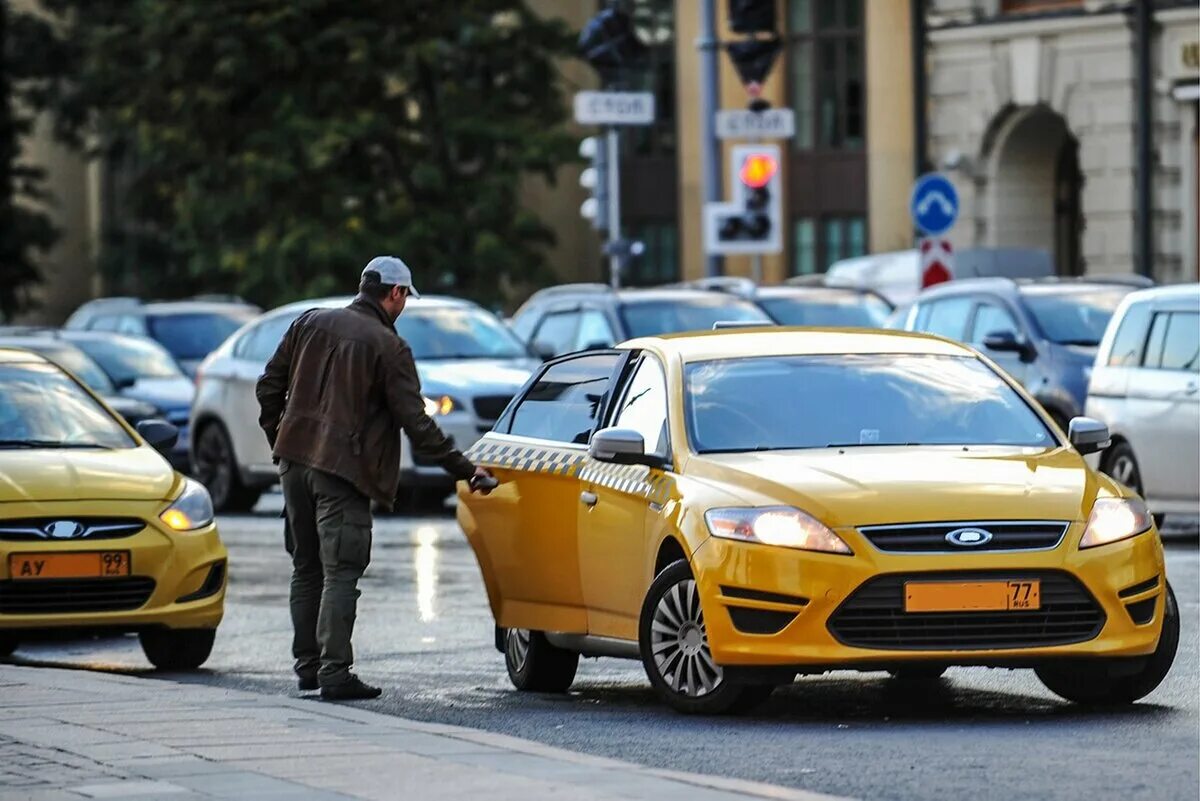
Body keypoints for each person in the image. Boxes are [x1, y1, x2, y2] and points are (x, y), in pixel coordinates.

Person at [256, 256, 494, 701]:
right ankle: (334, 673)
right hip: (343, 470)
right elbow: (417, 424)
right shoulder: (389, 347)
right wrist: (465, 470)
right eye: (405, 297)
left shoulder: (309, 323)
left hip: (293, 461)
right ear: (396, 293)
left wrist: (282, 437)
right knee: (341, 571)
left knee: (305, 567)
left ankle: (308, 667)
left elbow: (268, 386)